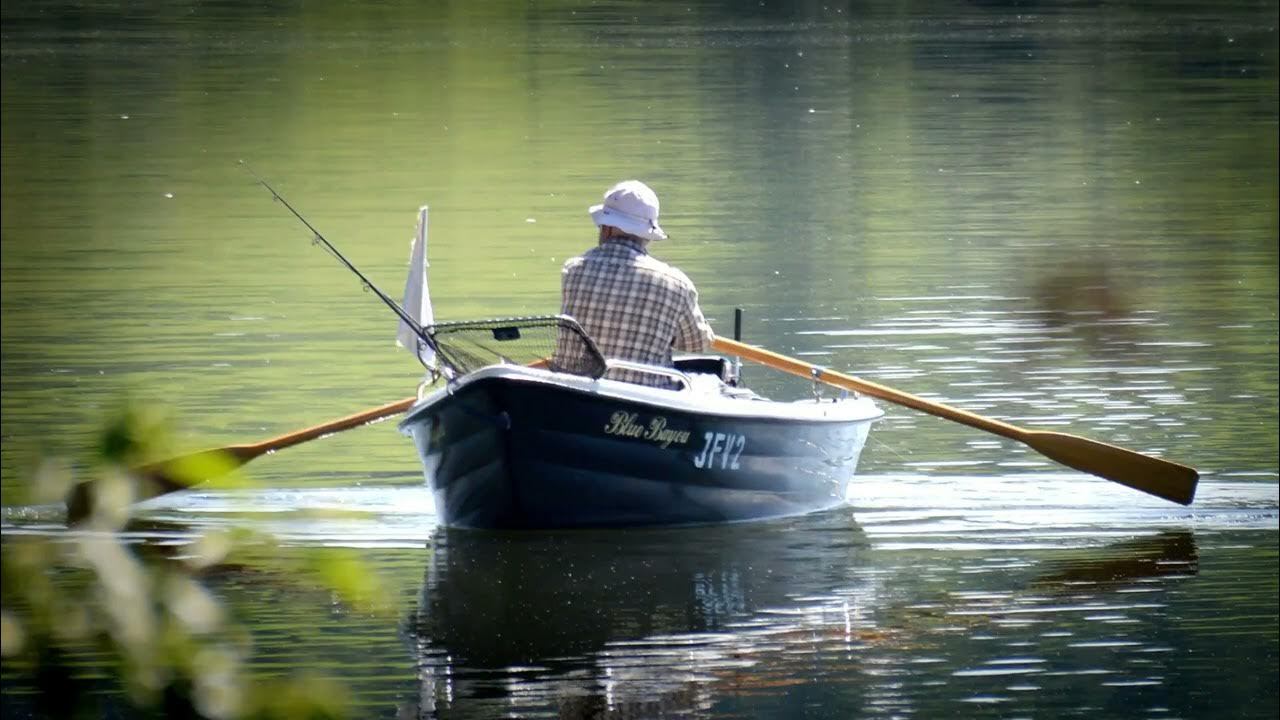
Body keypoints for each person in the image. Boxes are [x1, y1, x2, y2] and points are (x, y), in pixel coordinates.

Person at [553, 179, 716, 387]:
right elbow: (697, 344)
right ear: (647, 234)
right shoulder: (677, 285)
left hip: (575, 392)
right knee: (711, 383)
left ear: (607, 229)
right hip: (645, 398)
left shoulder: (573, 270)